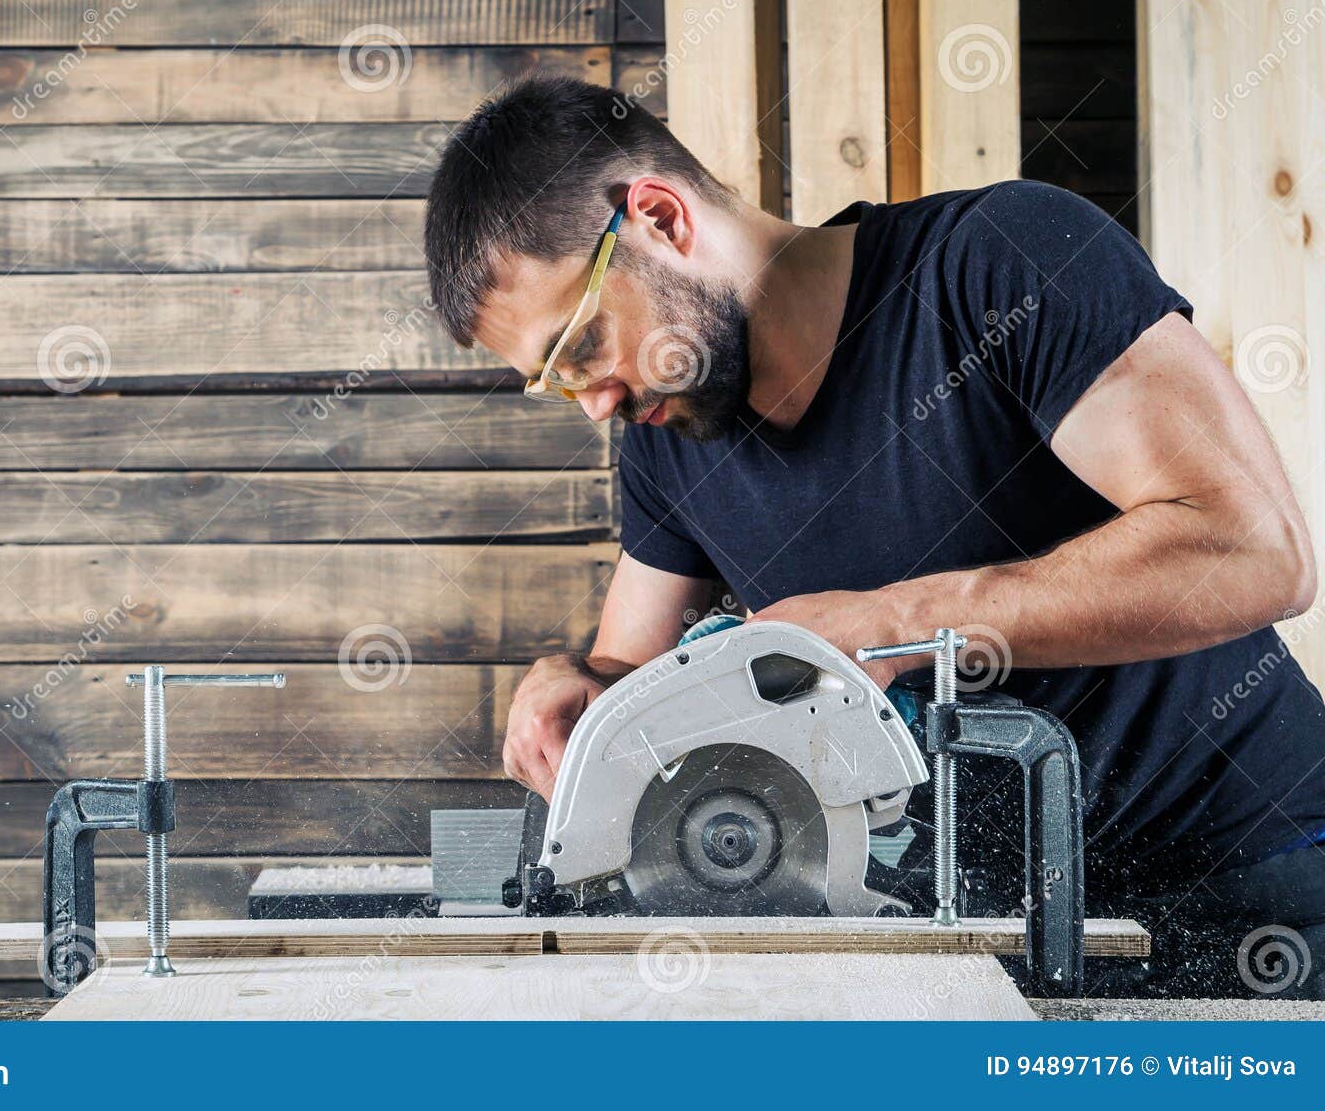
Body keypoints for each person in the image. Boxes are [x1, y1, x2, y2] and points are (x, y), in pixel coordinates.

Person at [422, 77, 1323, 998]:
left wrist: (891, 623)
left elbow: (1255, 547)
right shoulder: (671, 435)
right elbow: (637, 692)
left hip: (1257, 894)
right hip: (977, 943)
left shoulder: (998, 263)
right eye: (557, 381)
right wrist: (578, 688)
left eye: (581, 346)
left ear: (658, 217)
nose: (596, 400)